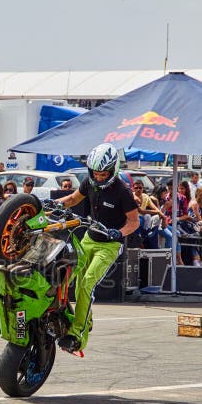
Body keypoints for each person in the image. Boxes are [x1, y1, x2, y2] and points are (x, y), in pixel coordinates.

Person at [53, 142, 139, 354]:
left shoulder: (123, 192)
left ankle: (77, 336)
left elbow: (134, 222)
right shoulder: (89, 182)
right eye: (96, 173)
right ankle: (81, 318)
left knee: (87, 284)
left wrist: (119, 233)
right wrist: (54, 204)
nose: (99, 178)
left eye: (103, 174)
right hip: (89, 239)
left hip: (109, 246)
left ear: (113, 169)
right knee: (68, 278)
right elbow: (73, 199)